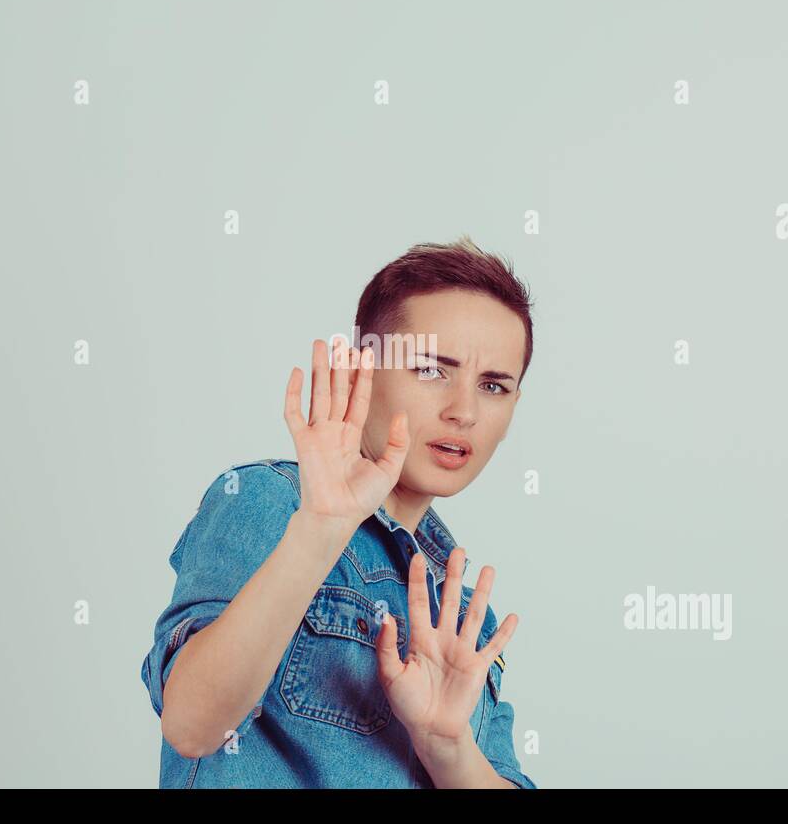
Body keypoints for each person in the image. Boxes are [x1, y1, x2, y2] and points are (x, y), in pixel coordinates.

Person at [140, 235, 537, 788]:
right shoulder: (272, 502)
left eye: (493, 385)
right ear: (363, 371)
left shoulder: (464, 611)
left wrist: (447, 746)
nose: (464, 411)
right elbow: (191, 723)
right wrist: (321, 529)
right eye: (431, 370)